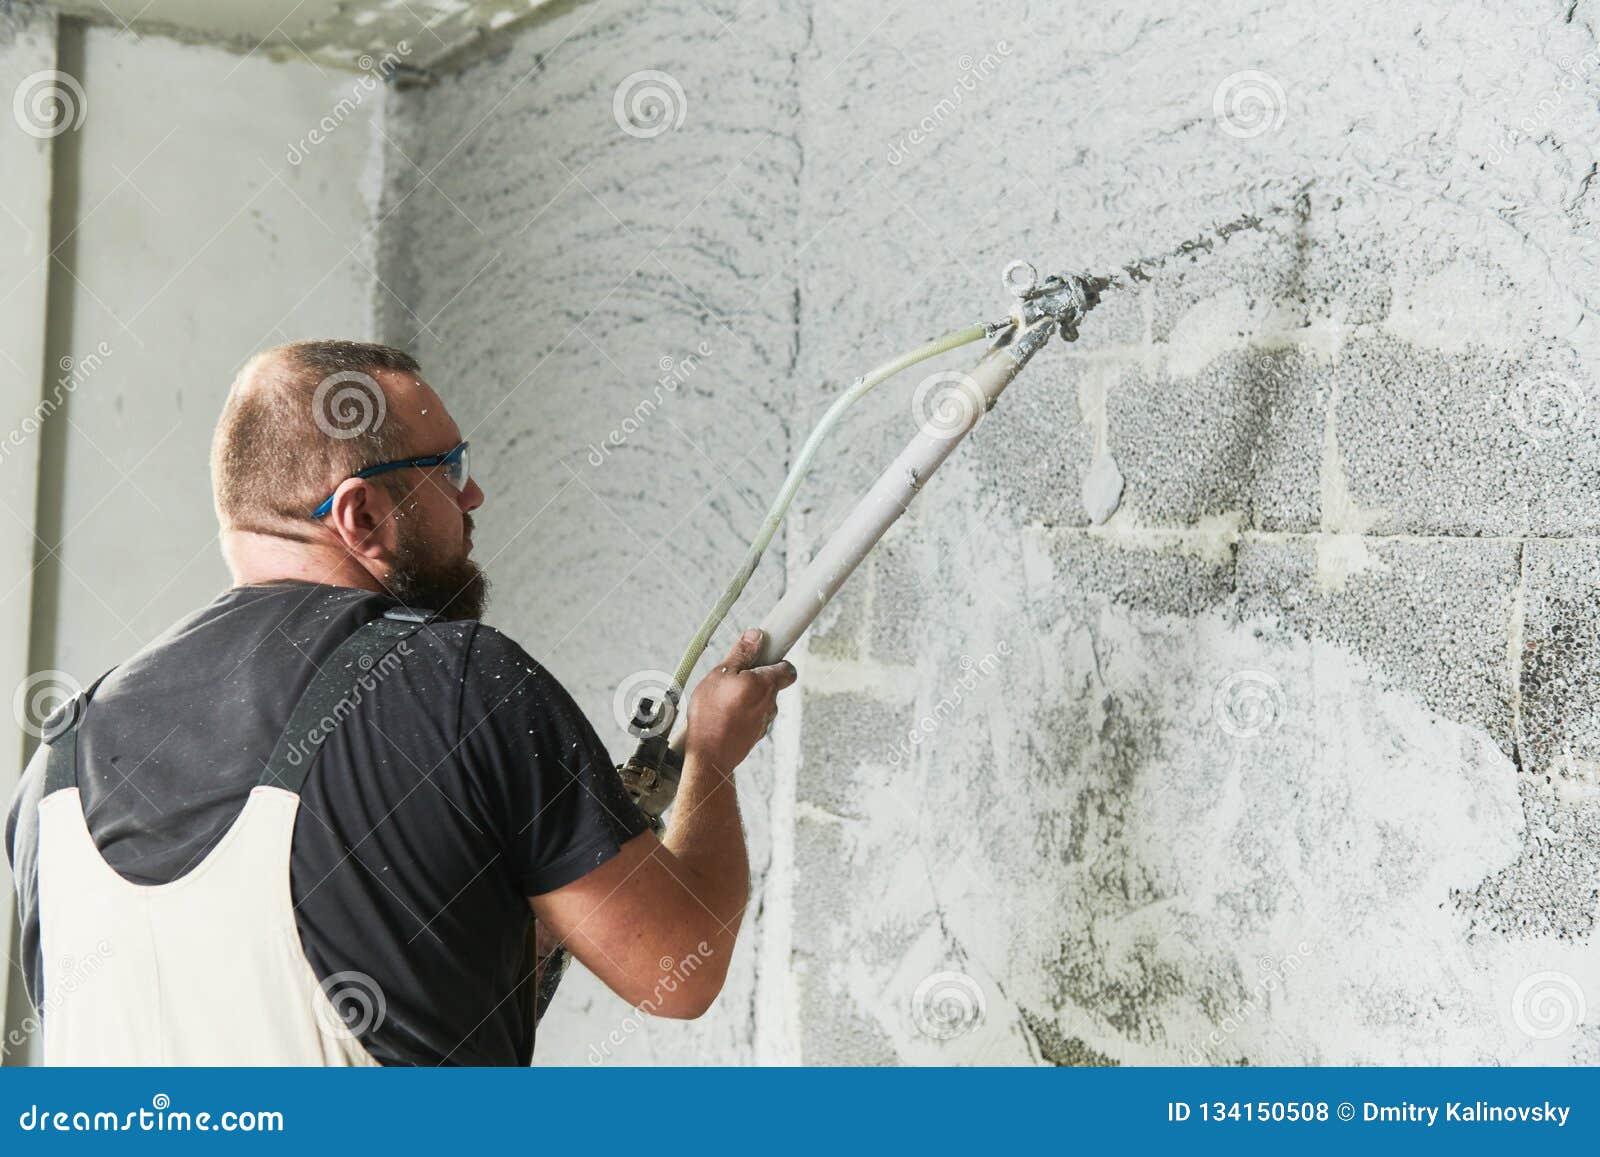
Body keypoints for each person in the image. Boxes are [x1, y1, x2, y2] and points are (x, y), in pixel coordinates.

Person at [4, 339, 795, 1065]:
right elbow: (678, 969)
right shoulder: (457, 682)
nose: (474, 494)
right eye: (449, 468)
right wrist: (714, 758)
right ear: (361, 516)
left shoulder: (54, 770)